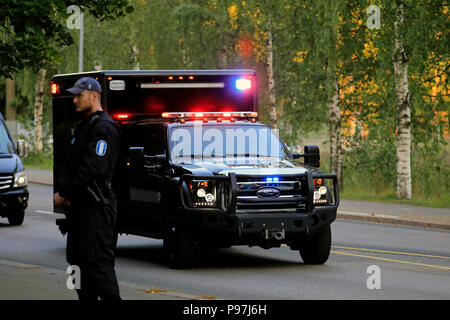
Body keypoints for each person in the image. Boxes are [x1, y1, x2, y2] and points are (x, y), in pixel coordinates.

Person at [53, 77, 121, 300]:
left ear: (94, 96)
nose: (74, 100)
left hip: (96, 210)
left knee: (99, 267)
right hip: (79, 212)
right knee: (75, 264)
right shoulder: (84, 126)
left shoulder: (104, 127)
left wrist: (65, 194)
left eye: (79, 95)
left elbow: (93, 168)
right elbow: (72, 165)